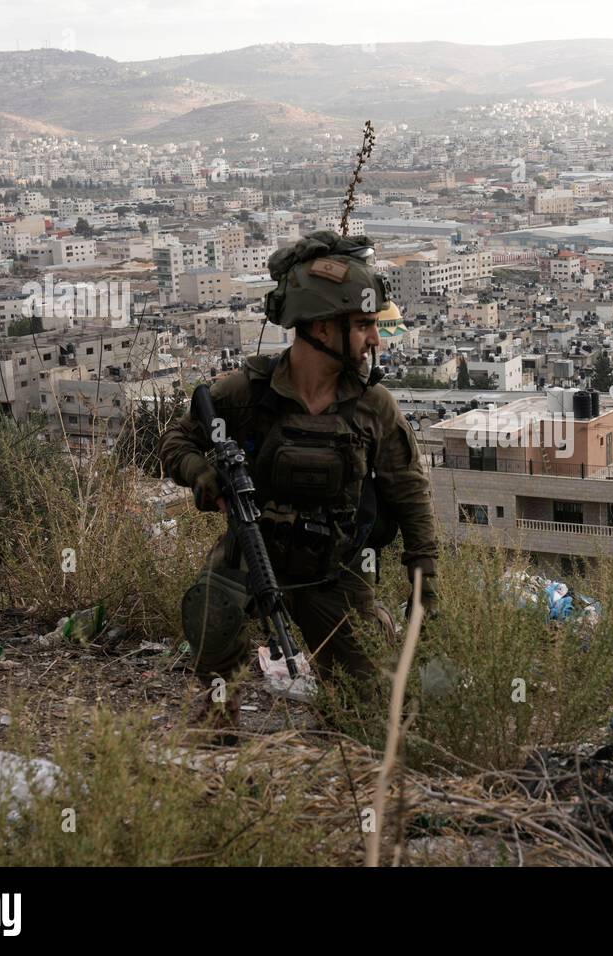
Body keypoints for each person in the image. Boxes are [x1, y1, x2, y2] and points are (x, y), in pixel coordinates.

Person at [159, 231, 438, 732]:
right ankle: (221, 719)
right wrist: (203, 476)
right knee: (213, 613)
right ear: (324, 329)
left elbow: (410, 494)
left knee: (365, 708)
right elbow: (179, 440)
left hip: (335, 568)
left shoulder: (373, 407)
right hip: (254, 552)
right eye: (365, 326)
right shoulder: (248, 393)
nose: (375, 339)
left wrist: (424, 585)